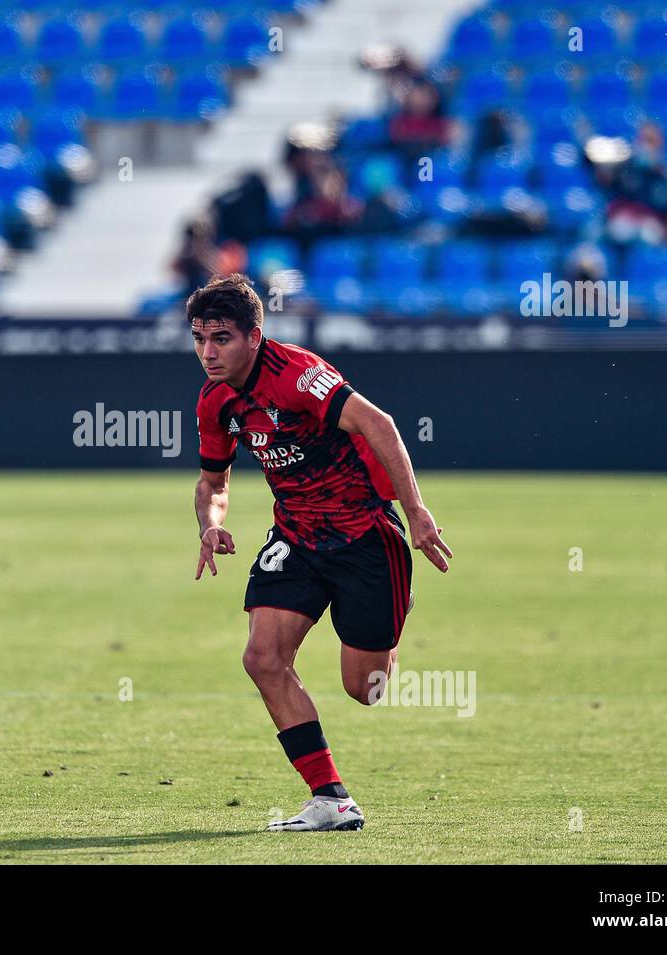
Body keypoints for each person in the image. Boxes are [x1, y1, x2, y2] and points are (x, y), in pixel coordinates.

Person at [189, 274, 452, 831]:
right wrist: (211, 525)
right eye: (199, 339)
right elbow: (213, 481)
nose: (208, 352)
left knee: (366, 689)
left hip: (364, 536)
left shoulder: (297, 375)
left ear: (254, 336)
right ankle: (331, 799)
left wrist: (416, 512)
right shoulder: (216, 401)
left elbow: (379, 424)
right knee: (262, 658)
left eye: (222, 338)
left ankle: (386, 626)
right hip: (296, 537)